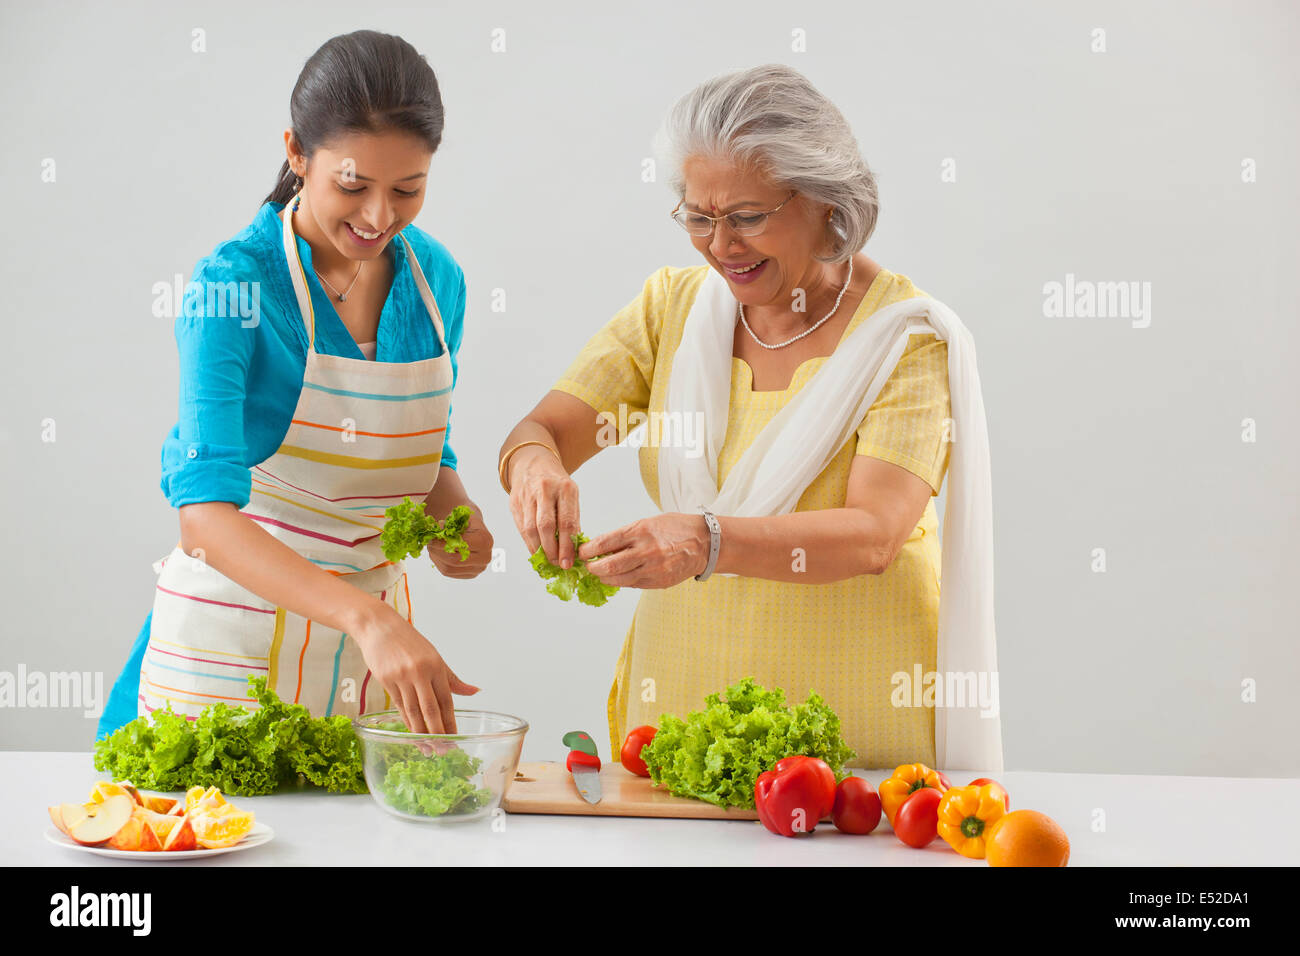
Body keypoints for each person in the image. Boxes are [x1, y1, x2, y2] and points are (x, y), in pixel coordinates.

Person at [498, 64, 1002, 770]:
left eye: (747, 217)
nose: (719, 245)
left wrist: (704, 541)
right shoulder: (672, 309)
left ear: (828, 202)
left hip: (854, 739)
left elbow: (873, 536)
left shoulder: (904, 338)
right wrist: (535, 470)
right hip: (677, 722)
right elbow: (540, 430)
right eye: (699, 218)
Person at [98, 30, 492, 741]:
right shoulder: (234, 287)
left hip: (364, 668)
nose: (379, 217)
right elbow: (204, 520)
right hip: (224, 663)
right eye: (352, 185)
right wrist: (370, 618)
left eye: (408, 189)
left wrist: (456, 519)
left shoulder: (439, 284)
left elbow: (426, 449)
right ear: (297, 153)